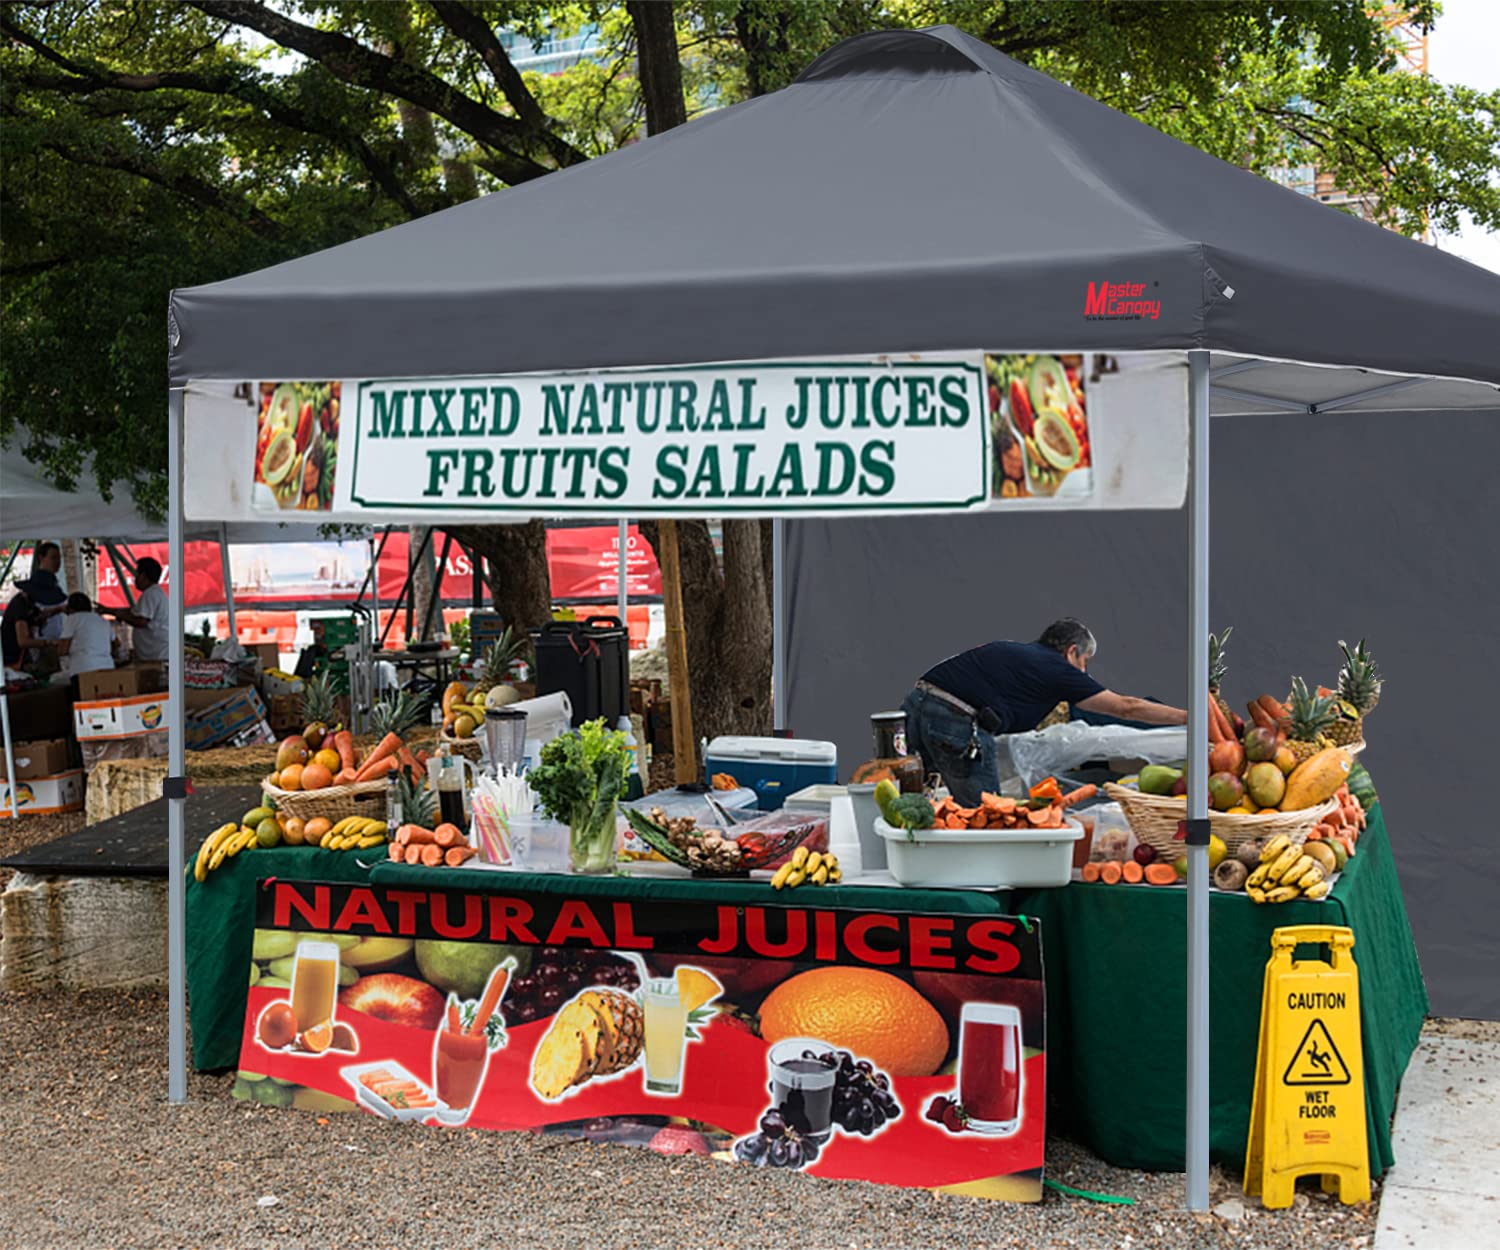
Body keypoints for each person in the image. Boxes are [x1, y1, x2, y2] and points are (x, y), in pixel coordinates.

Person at [903, 618, 1187, 806]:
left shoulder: (1016, 653)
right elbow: (1127, 708)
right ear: (1072, 651)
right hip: (955, 720)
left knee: (914, 803)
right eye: (1085, 661)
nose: (1085, 671)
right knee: (985, 816)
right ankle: (983, 889)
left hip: (915, 706)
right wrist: (1189, 717)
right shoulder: (1056, 668)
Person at [100, 557, 169, 662]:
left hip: (157, 656)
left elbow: (141, 621)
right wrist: (110, 611)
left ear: (144, 575)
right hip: (156, 654)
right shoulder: (156, 593)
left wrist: (119, 615)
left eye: (137, 574)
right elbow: (133, 611)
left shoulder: (150, 594)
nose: (135, 579)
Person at [54, 593, 117, 677]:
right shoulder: (102, 620)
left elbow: (62, 650)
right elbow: (117, 643)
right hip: (107, 667)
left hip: (83, 668)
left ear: (70, 608)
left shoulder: (72, 619)